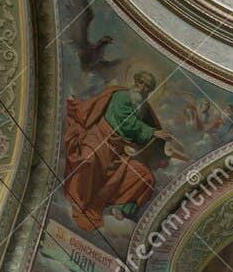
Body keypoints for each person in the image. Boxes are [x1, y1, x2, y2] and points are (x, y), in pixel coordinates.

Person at [64, 72, 178, 231]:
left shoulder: (143, 108)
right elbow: (125, 122)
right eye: (141, 83)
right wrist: (152, 132)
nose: (142, 88)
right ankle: (77, 201)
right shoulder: (122, 95)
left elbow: (144, 135)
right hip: (100, 137)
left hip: (121, 150)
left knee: (146, 177)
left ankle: (120, 207)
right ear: (135, 81)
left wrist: (160, 142)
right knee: (88, 160)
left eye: (147, 87)